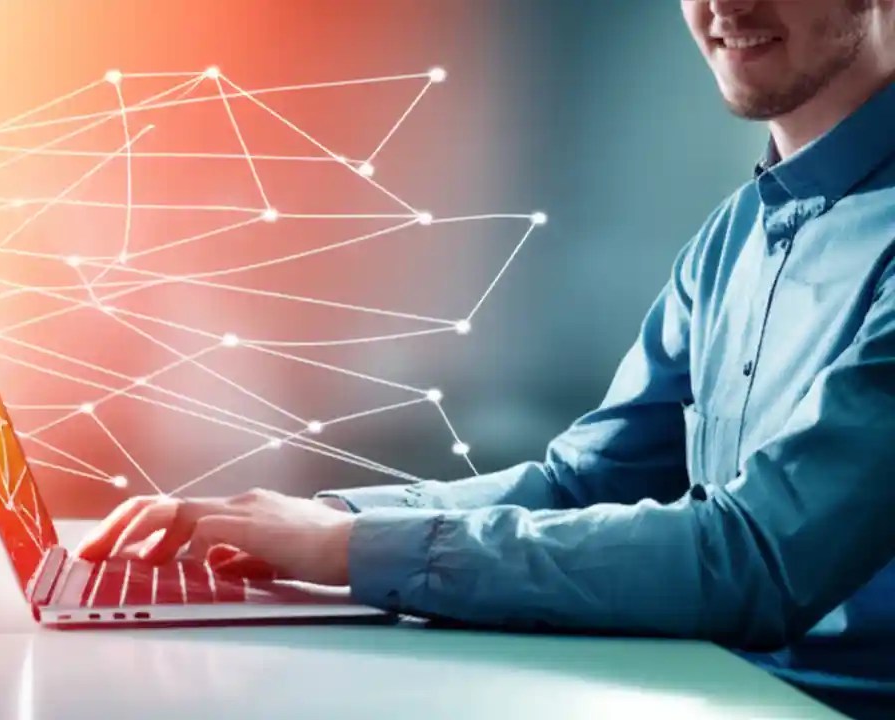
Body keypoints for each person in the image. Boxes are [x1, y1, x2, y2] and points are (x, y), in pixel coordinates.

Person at [79, 1, 895, 715]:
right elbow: (584, 482)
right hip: (707, 688)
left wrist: (353, 553)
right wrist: (319, 523)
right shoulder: (731, 239)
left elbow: (755, 558)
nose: (727, 4)